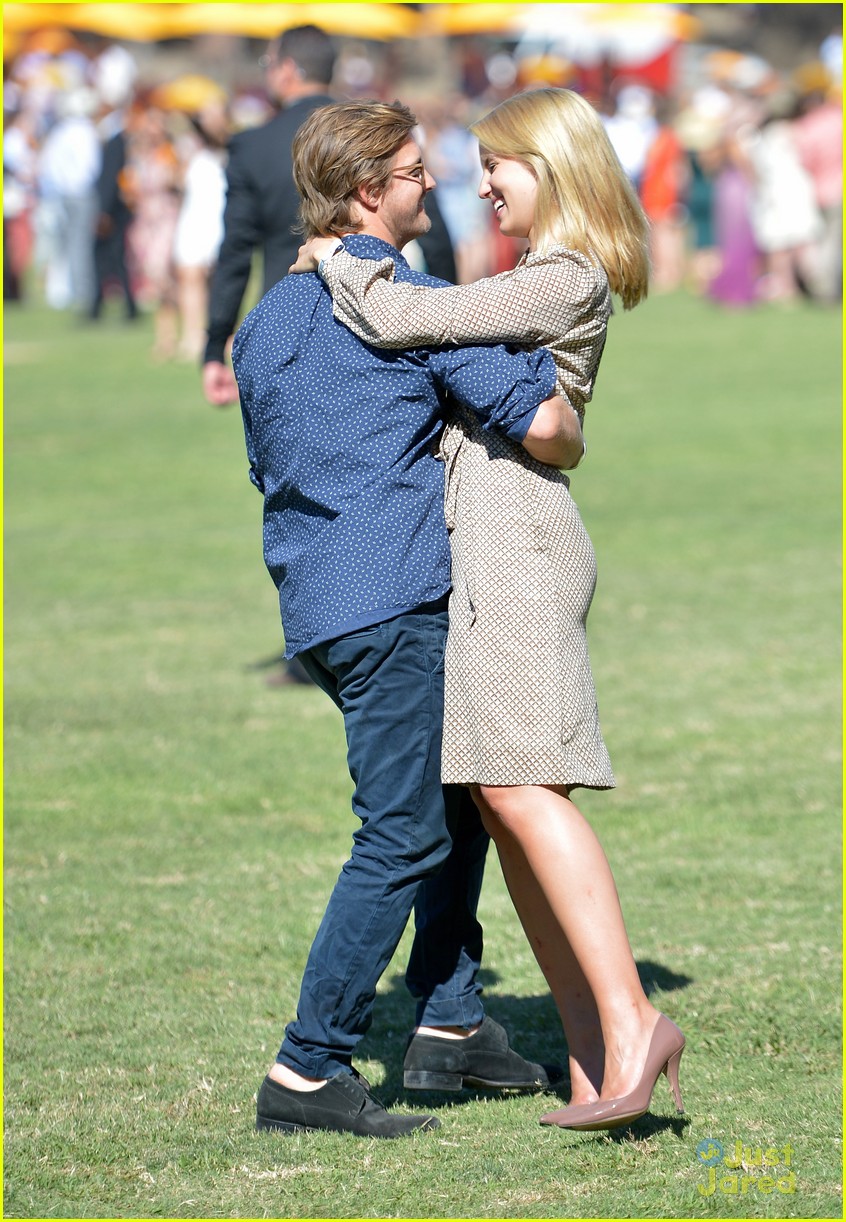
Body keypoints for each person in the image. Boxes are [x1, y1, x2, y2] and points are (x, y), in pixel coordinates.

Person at [291, 86, 685, 1133]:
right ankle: (600, 1062)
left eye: (495, 165)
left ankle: (633, 1022)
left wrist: (335, 255)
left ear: (545, 166)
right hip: (489, 543)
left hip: (517, 543)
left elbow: (417, 318)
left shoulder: (561, 277)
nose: (480, 184)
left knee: (519, 793)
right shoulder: (535, 277)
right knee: (506, 810)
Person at [232, 99, 583, 1138]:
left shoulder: (263, 324)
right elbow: (546, 429)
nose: (436, 185)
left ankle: (450, 1021)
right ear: (364, 194)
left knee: (458, 801)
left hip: (317, 604)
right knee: (400, 832)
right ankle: (307, 1068)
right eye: (417, 172)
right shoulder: (412, 305)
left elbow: (268, 460)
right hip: (396, 600)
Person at [202, 23, 457, 409]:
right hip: (376, 307)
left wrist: (213, 346)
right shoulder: (372, 132)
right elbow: (431, 228)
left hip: (286, 322)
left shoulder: (252, 146)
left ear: (286, 69)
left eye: (267, 63)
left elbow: (235, 253)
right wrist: (447, 314)